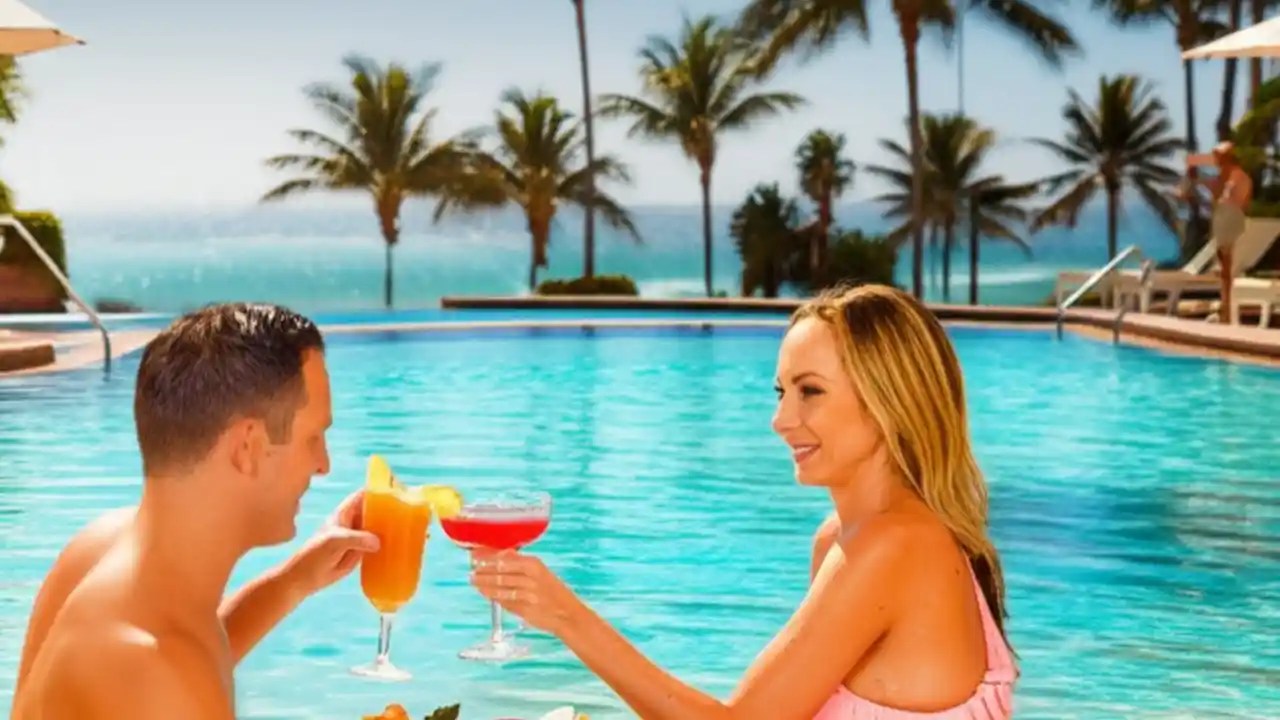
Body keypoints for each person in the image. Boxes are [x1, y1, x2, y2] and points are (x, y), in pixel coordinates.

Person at [470, 284, 1016, 720]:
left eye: (811, 391)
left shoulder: (895, 544)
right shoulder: (843, 539)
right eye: (781, 392)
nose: (781, 421)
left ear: (888, 403)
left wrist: (566, 616)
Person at [11, 302, 380, 720]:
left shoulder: (100, 550)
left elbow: (194, 649)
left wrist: (296, 580)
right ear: (249, 448)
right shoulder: (159, 677)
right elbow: (171, 673)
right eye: (313, 437)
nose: (324, 464)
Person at [1187, 141, 1254, 320]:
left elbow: (1227, 200)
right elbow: (1218, 195)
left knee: (1226, 270)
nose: (1216, 162)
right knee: (1225, 272)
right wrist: (1199, 180)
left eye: (1218, 158)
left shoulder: (1237, 177)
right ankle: (1226, 310)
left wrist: (1200, 181)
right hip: (1226, 222)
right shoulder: (1231, 177)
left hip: (1230, 223)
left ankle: (1227, 311)